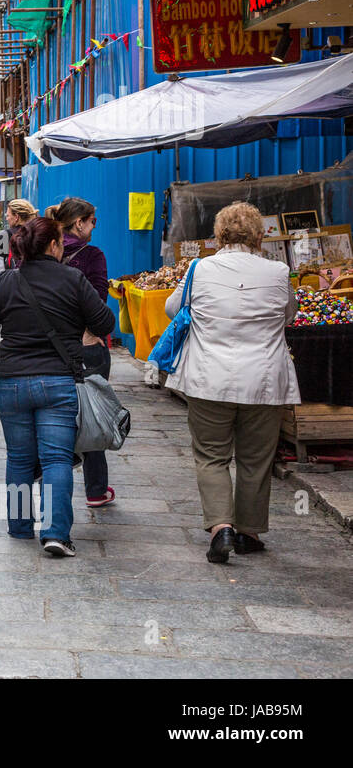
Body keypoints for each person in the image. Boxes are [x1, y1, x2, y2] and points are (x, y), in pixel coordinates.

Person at [0, 216, 116, 557]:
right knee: (57, 459)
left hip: (12, 385)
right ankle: (56, 534)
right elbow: (105, 321)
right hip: (58, 383)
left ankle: (19, 527)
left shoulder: (3, 283)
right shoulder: (73, 279)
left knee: (18, 458)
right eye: (60, 241)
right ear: (52, 245)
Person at [164, 202, 299, 565]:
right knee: (257, 459)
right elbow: (291, 313)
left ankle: (220, 528)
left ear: (218, 234)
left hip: (209, 379)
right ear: (260, 235)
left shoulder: (199, 268)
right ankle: (249, 532)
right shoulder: (279, 271)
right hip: (265, 381)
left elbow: (172, 309)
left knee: (211, 456)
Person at [49, 197, 114, 508]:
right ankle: (95, 489)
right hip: (86, 347)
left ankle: (53, 483)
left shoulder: (43, 252)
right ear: (79, 223)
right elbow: (99, 298)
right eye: (92, 221)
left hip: (47, 347)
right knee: (91, 415)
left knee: (55, 418)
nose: (93, 227)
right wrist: (91, 330)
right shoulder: (92, 256)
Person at [0, 198, 38, 270]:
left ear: (16, 217)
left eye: (8, 216)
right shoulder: (37, 233)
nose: (7, 219)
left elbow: (0, 266)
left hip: (13, 278)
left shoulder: (5, 235)